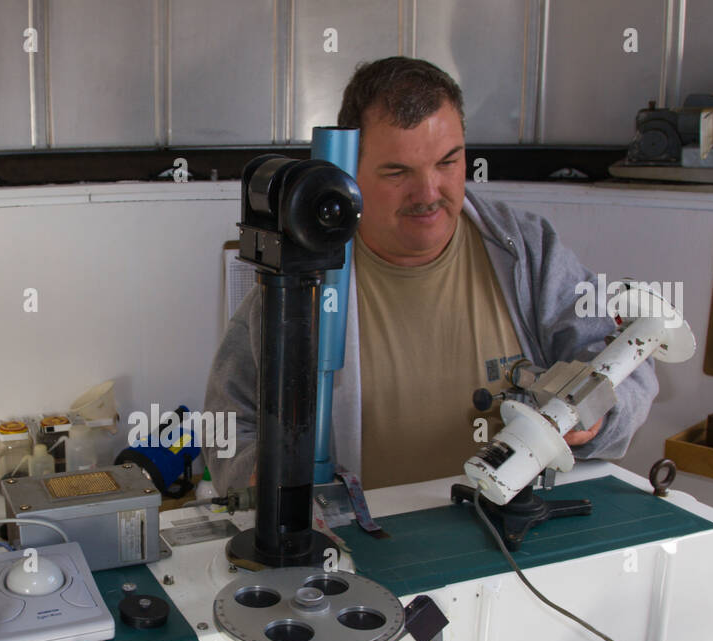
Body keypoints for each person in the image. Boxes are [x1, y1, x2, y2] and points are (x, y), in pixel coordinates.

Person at [204, 57, 657, 495]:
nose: (429, 194)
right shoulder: (301, 279)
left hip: (514, 535)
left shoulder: (527, 249)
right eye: (398, 171)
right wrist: (260, 477)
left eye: (448, 162)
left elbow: (625, 363)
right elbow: (225, 426)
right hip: (369, 551)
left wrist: (597, 417)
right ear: (348, 173)